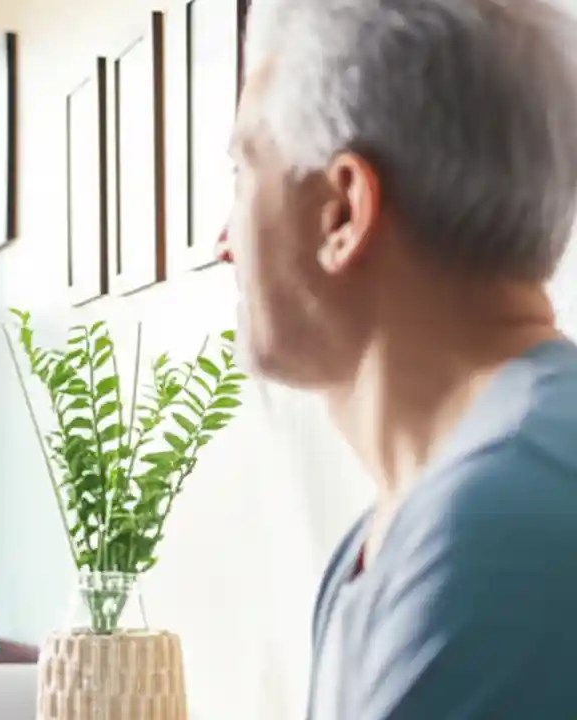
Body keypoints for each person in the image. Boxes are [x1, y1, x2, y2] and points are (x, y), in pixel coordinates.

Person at [217, 0, 577, 717]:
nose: (224, 240)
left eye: (243, 172)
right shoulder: (400, 532)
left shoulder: (494, 527)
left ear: (343, 211)